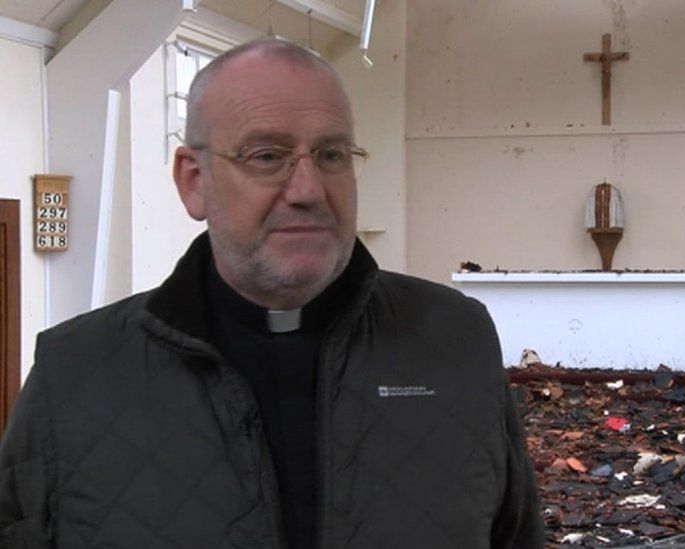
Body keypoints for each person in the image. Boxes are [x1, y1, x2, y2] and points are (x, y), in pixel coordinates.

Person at [0, 38, 543, 549]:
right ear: (193, 180)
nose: (308, 190)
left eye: (331, 155)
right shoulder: (74, 373)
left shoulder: (452, 338)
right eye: (266, 155)